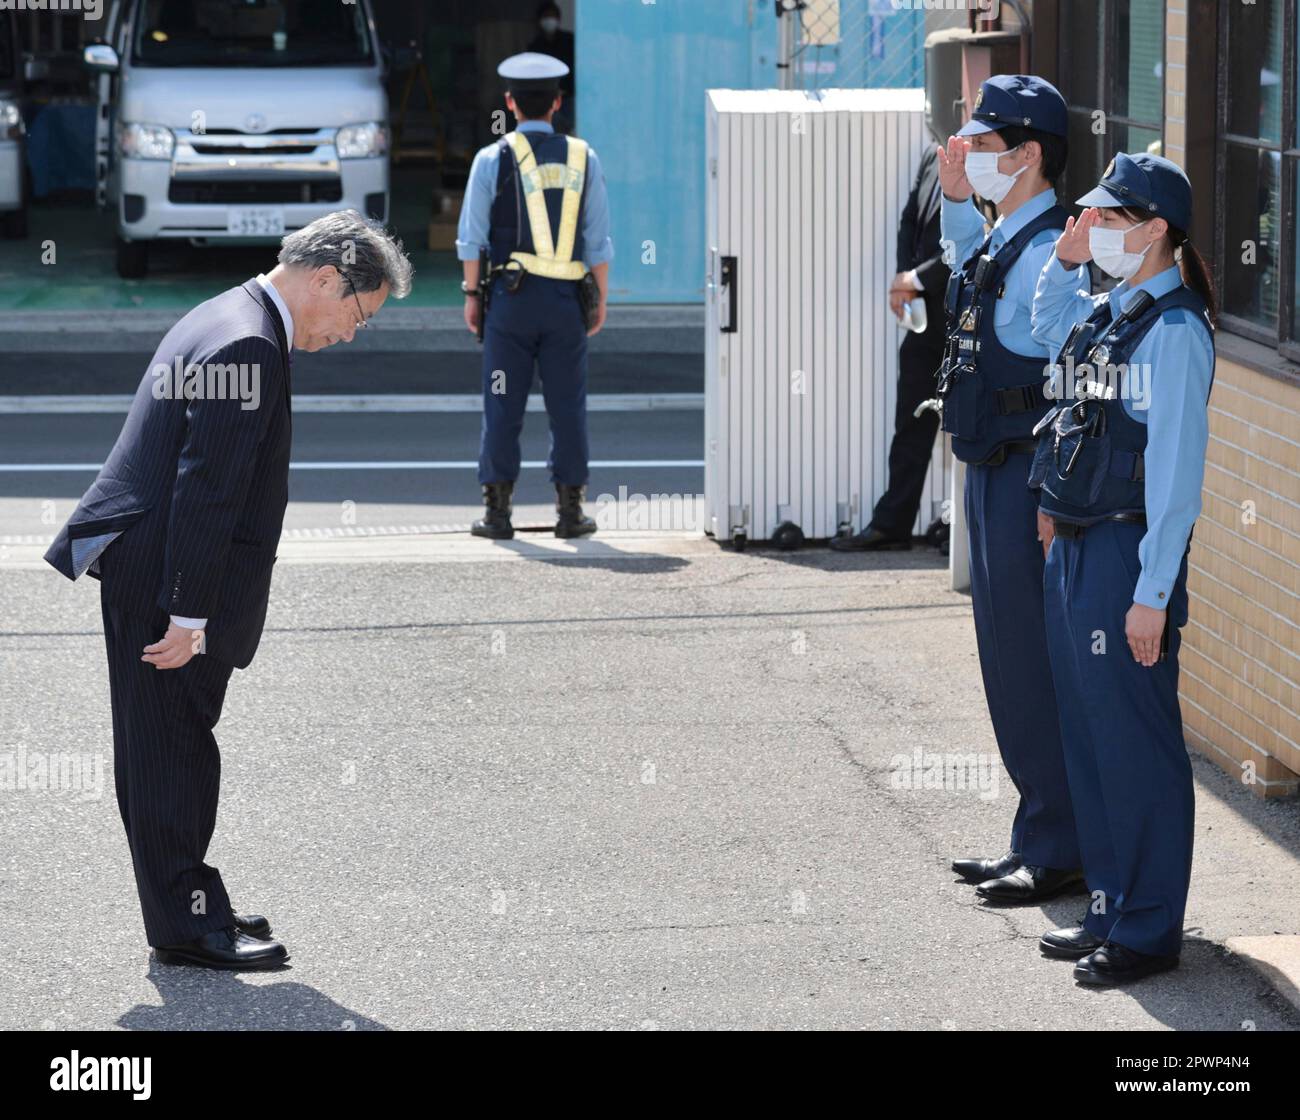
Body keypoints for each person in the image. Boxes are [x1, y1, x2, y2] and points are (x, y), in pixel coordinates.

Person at [44, 212, 412, 969]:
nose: (351, 332)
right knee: (168, 749)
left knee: (175, 743)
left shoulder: (228, 312)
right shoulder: (248, 341)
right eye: (357, 312)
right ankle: (186, 925)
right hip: (165, 572)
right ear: (324, 279)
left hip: (152, 557)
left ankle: (194, 903)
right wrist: (187, 613)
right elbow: (205, 491)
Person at [1028, 153, 1216, 986]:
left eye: (1107, 219)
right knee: (1090, 738)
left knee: (1136, 748)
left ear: (1154, 230)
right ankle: (1109, 907)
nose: (1094, 228)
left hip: (1125, 558)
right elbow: (1043, 329)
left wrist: (1151, 596)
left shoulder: (1173, 332)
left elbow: (1175, 486)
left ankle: (1147, 931)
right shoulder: (1117, 310)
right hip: (1077, 548)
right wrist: (1066, 261)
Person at [936, 76, 1087, 903]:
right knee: (1006, 662)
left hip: (1028, 483)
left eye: (986, 147)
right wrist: (960, 199)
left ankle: (1059, 846)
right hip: (991, 470)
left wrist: (1055, 502)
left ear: (1029, 154)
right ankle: (1038, 832)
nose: (971, 155)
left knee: (1033, 666)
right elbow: (969, 273)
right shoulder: (1008, 234)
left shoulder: (1050, 249)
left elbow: (1078, 381)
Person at [457, 51, 613, 540]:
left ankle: (497, 513)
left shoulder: (490, 159)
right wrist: (600, 300)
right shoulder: (584, 157)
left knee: (502, 402)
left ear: (510, 103)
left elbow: (471, 237)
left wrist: (471, 295)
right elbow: (598, 241)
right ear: (558, 103)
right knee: (568, 406)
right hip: (566, 304)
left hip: (509, 303)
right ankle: (570, 513)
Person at [831, 144, 948, 552]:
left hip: (961, 315)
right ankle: (892, 523)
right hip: (924, 318)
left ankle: (961, 532)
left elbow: (973, 246)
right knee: (911, 422)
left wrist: (914, 280)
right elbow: (909, 220)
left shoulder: (991, 164)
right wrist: (905, 277)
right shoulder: (935, 156)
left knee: (971, 430)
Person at [526, 2, 575, 131]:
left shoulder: (569, 41)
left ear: (558, 19)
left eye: (552, 16)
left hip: (569, 96)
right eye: (546, 16)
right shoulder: (535, 46)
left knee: (569, 129)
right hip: (546, 98)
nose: (549, 20)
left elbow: (575, 68)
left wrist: (565, 89)